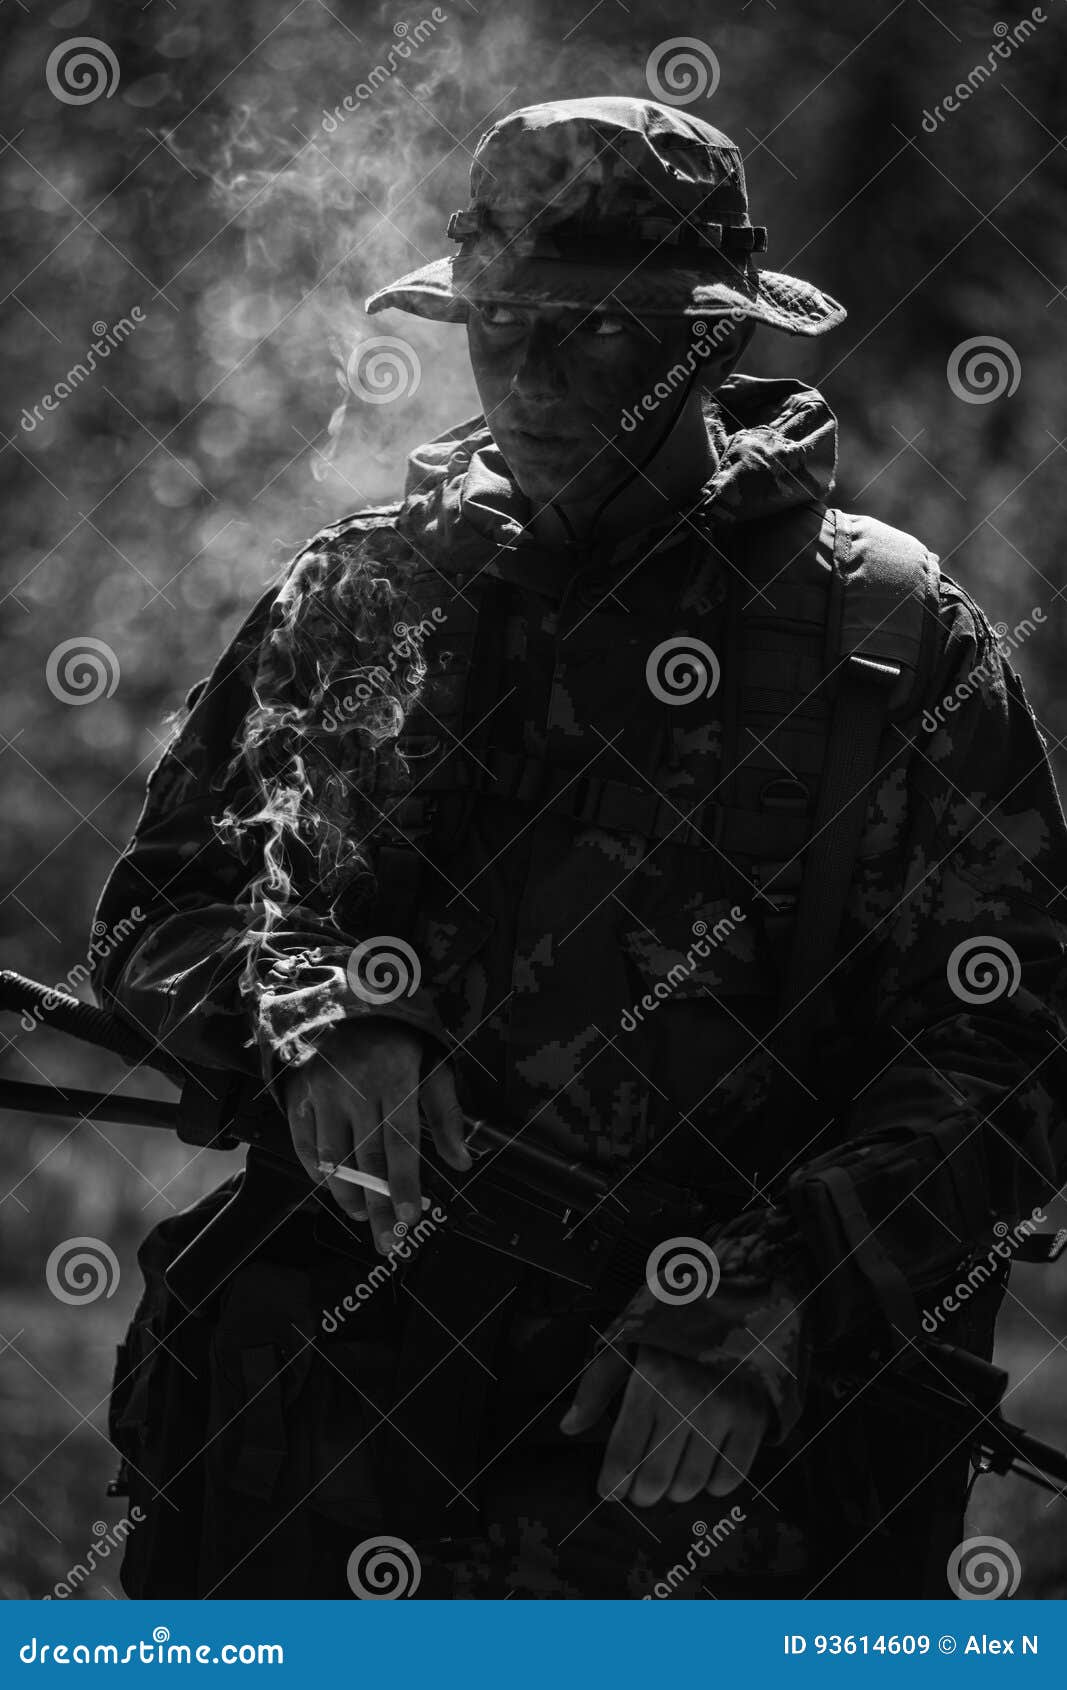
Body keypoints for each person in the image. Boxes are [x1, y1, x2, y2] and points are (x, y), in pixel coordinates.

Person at [94, 96, 1067, 1599]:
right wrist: (319, 1017)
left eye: (600, 336)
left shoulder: (887, 645)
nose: (535, 381)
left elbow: (1010, 1044)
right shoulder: (361, 593)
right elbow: (166, 912)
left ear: (711, 345)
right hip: (306, 1465)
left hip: (690, 1504)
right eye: (499, 327)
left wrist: (768, 1294)